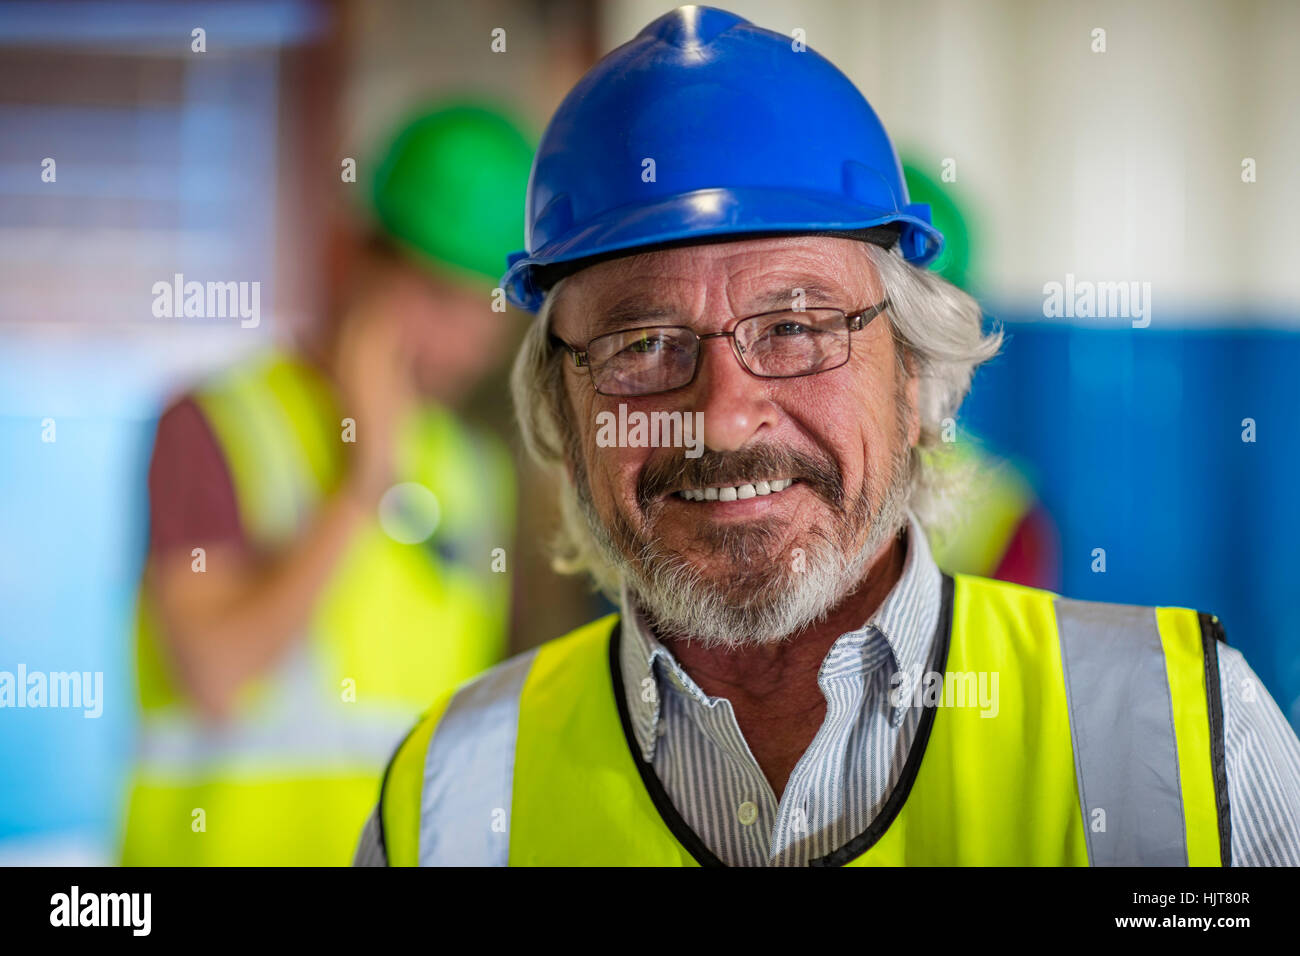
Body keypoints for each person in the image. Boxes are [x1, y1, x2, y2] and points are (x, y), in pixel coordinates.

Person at [355, 7, 1300, 866]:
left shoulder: (1173, 739)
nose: (723, 417)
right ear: (562, 410)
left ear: (917, 376)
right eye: (642, 343)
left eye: (797, 326)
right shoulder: (450, 795)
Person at [122, 102, 532, 866]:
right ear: (354, 259)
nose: (465, 345)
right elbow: (214, 674)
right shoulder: (213, 426)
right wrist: (361, 487)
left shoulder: (474, 474)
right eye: (436, 296)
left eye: (489, 308)